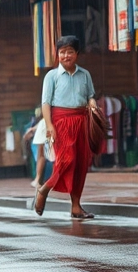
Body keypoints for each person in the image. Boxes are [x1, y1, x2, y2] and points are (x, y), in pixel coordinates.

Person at [34, 35, 97, 220]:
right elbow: (45, 103)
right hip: (60, 122)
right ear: (57, 54)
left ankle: (76, 207)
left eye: (70, 52)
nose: (66, 56)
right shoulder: (51, 76)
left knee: (80, 163)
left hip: (81, 121)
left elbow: (90, 95)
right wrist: (49, 126)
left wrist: (92, 104)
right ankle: (44, 189)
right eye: (62, 52)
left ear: (77, 54)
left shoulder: (85, 74)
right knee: (66, 160)